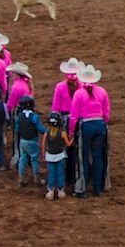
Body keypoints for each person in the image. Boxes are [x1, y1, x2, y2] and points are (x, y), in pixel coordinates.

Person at [70, 64, 111, 198]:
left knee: (83, 157)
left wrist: (71, 130)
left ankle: (83, 188)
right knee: (98, 156)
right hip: (99, 124)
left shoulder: (79, 93)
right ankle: (98, 188)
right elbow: (106, 113)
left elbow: (74, 115)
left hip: (86, 125)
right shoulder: (102, 92)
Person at [52, 59, 82, 188]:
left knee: (65, 150)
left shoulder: (60, 87)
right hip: (79, 119)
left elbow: (55, 107)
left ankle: (67, 177)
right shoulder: (82, 86)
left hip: (65, 119)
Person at [14, 95, 48, 188]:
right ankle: (36, 179)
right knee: (34, 160)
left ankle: (21, 179)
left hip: (22, 141)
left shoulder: (19, 117)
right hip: (32, 141)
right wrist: (49, 131)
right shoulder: (34, 117)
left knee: (22, 159)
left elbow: (17, 129)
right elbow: (41, 129)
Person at [42, 112, 72, 200]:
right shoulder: (62, 133)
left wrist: (43, 154)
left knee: (51, 173)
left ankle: (50, 191)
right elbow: (68, 144)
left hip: (50, 156)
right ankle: (60, 191)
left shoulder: (47, 132)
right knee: (60, 173)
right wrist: (73, 137)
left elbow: (43, 144)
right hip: (60, 156)